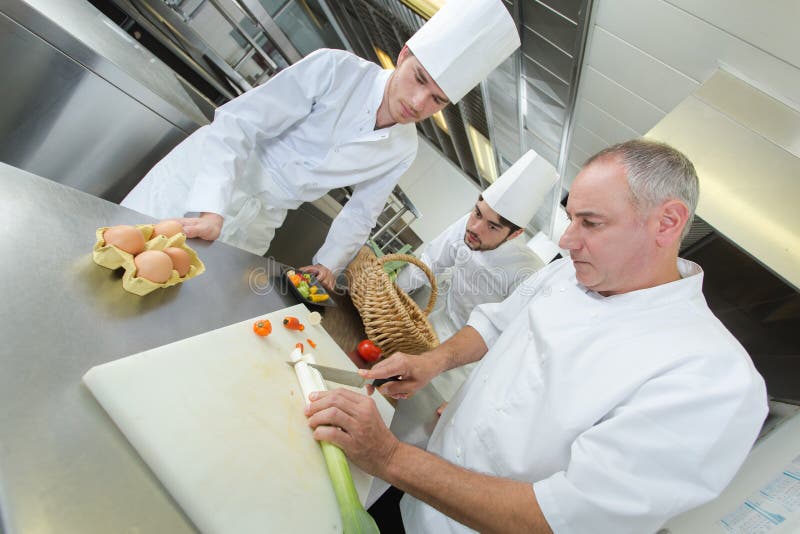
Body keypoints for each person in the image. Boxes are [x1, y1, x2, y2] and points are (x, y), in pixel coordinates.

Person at [304, 139, 768, 533]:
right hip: (414, 494)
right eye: (571, 218)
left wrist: (387, 457)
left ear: (666, 223)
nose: (566, 241)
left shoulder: (713, 378)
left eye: (591, 223)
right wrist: (433, 361)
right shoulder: (570, 274)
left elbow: (555, 519)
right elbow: (496, 322)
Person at [120, 0, 520, 288]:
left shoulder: (403, 149)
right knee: (120, 261)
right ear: (402, 56)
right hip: (203, 184)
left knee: (189, 297)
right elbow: (240, 123)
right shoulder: (335, 70)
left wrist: (329, 263)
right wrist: (211, 206)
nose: (418, 104)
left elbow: (361, 212)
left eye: (436, 100)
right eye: (419, 79)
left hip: (263, 219)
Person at [395, 149, 557, 399]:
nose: (475, 228)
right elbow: (429, 262)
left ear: (514, 234)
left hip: (467, 369)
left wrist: (465, 400)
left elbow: (514, 345)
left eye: (492, 226)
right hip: (432, 329)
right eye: (477, 212)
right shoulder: (469, 225)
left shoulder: (528, 271)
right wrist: (391, 295)